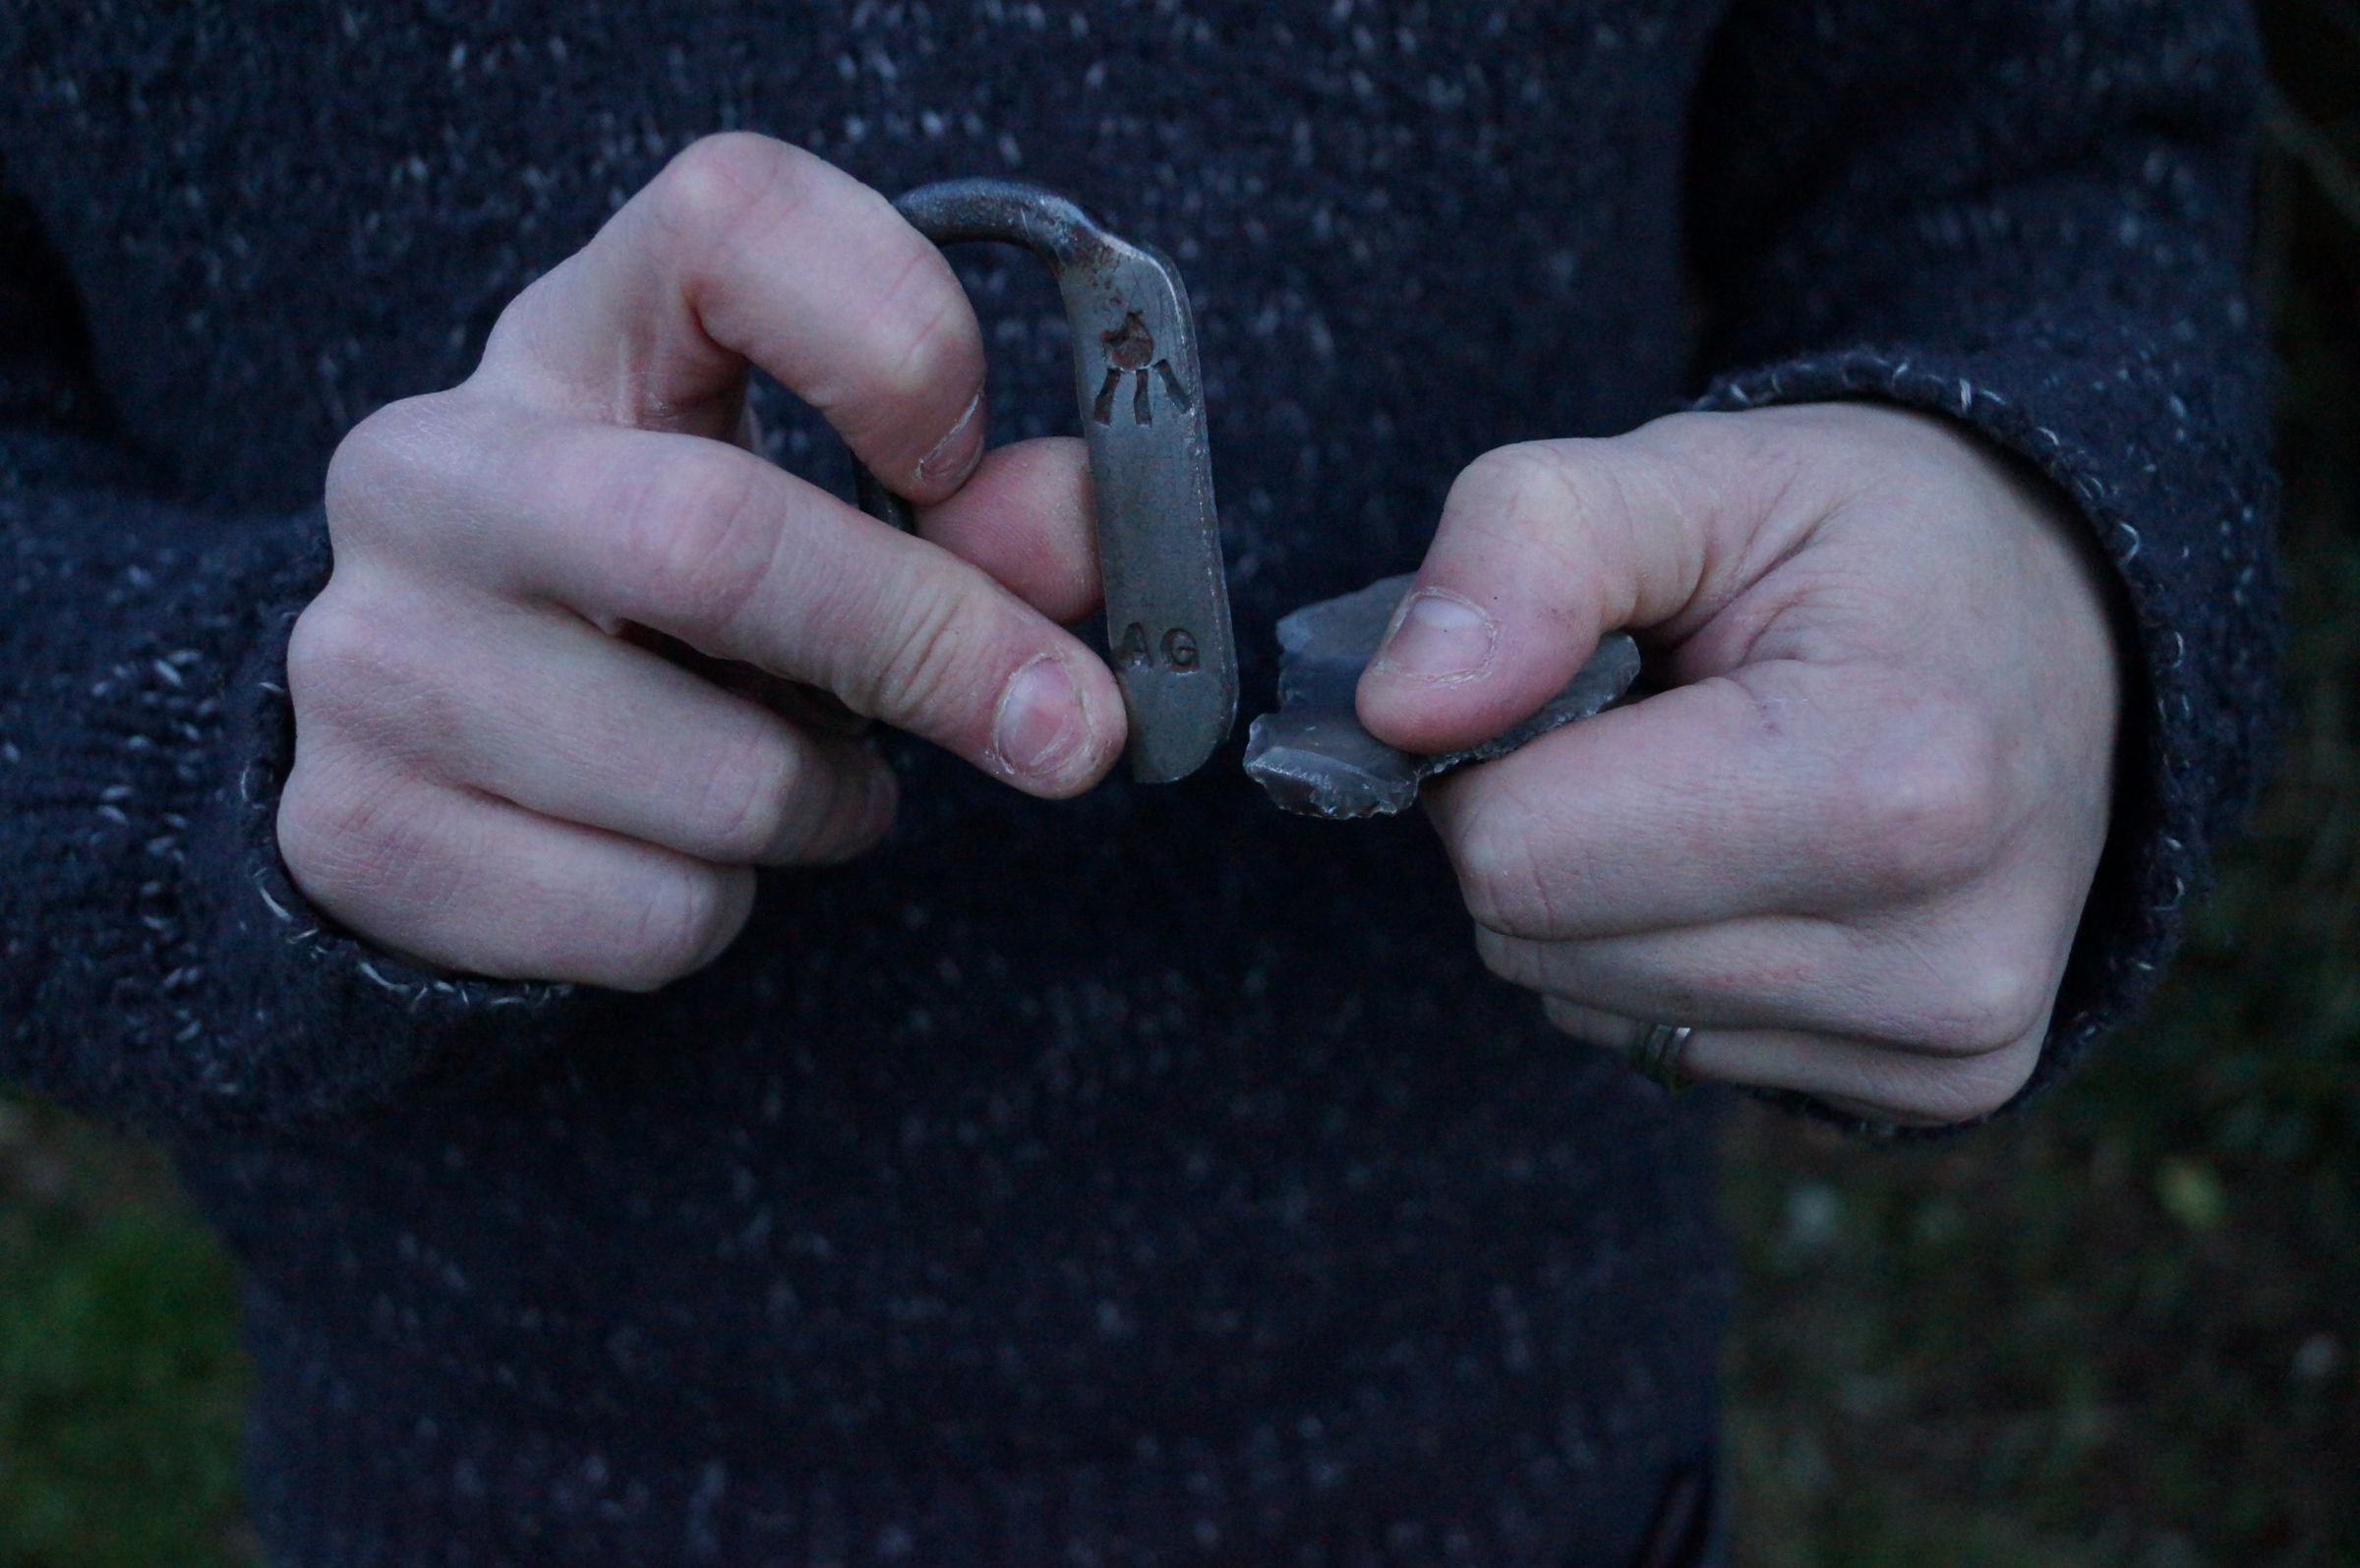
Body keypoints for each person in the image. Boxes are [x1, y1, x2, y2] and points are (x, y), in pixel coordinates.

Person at [0, 1, 2276, 1563]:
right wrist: (222, 734)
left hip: (1521, 1446)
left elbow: (2039, 134)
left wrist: (2048, 539)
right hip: (449, 1469)